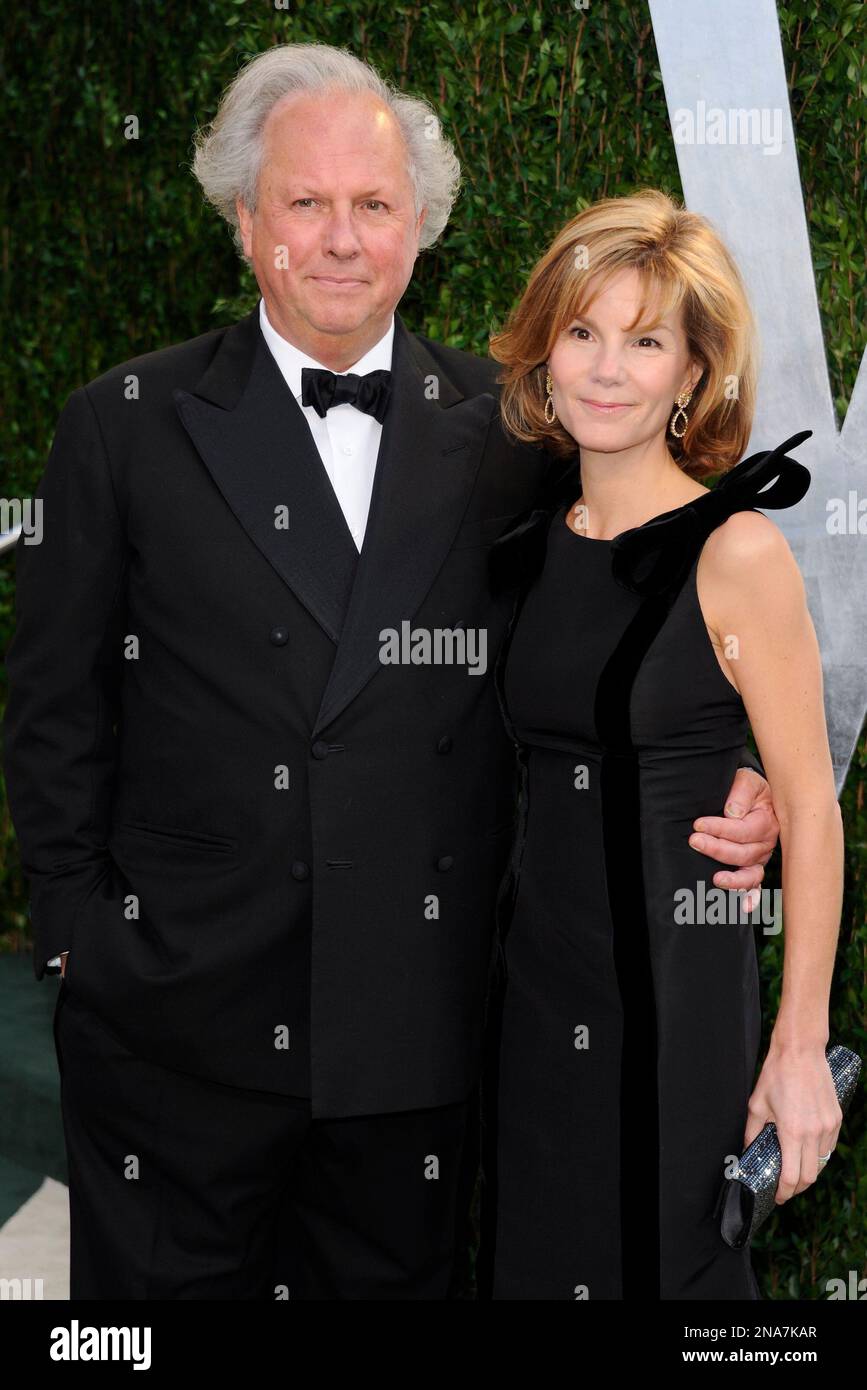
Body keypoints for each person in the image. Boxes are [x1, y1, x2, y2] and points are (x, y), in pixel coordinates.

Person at [2, 47, 777, 1300]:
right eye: (305, 203)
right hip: (174, 1030)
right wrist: (81, 942)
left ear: (421, 228)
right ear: (246, 222)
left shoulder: (515, 435)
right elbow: (53, 713)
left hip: (410, 1038)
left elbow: (612, 650)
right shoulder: (122, 424)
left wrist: (743, 771)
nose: (343, 238)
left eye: (374, 204)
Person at [477, 189, 844, 1300]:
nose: (604, 367)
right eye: (582, 331)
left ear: (692, 374)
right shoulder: (533, 539)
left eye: (644, 341)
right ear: (545, 351)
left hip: (672, 1009)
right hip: (529, 1008)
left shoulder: (736, 552)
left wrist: (796, 1050)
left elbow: (812, 810)